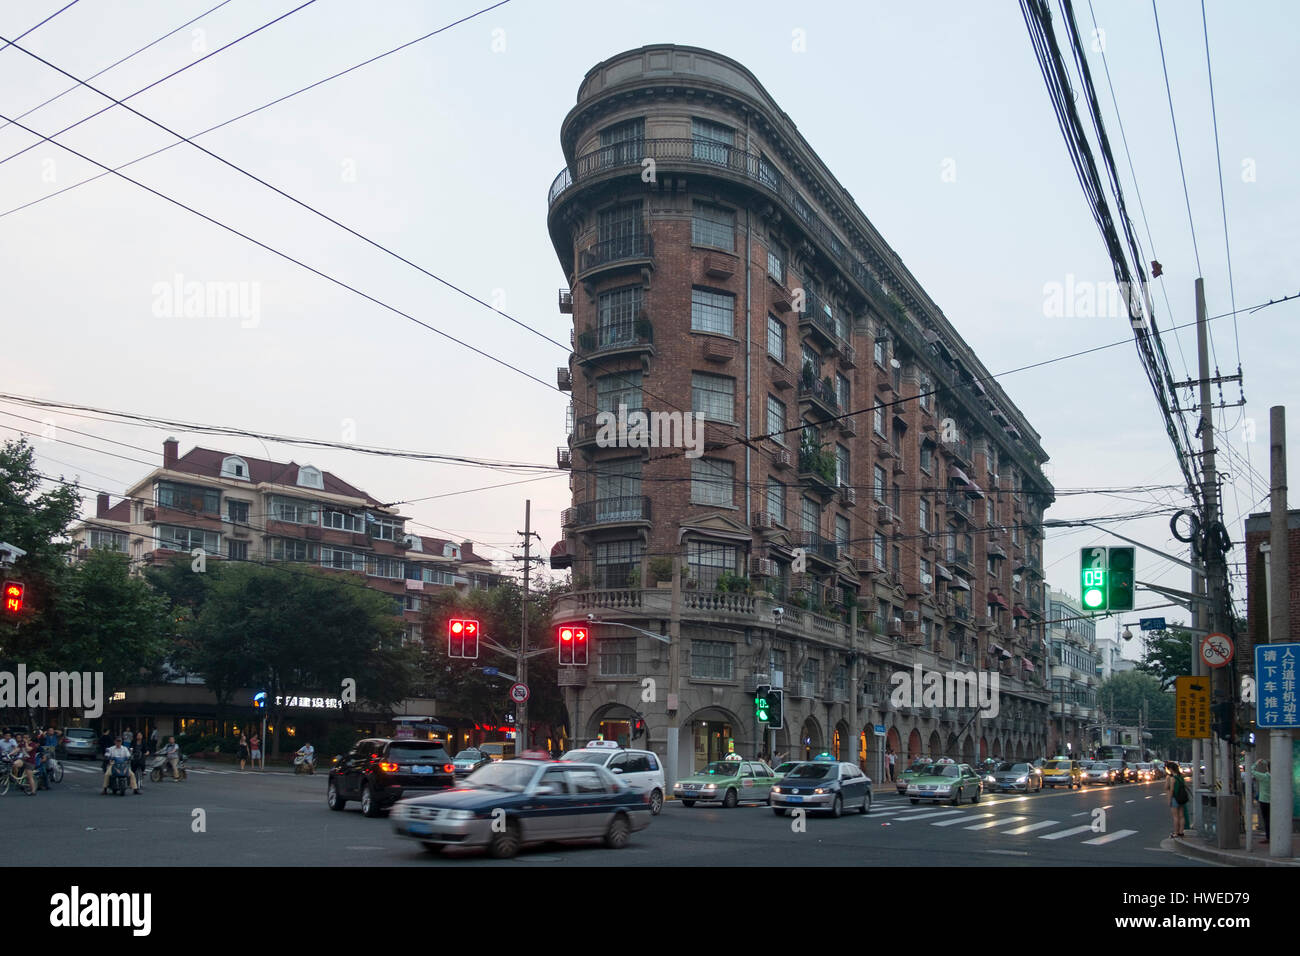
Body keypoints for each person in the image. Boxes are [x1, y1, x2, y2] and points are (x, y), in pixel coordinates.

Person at [1165, 760, 1186, 838]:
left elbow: (1171, 790)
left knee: (1175, 816)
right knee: (1181, 815)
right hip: (1182, 798)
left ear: (1170, 769)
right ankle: (1181, 832)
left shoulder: (1172, 778)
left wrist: (1169, 800)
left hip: (1175, 798)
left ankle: (1176, 832)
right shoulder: (1181, 777)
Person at [1251, 759, 1271, 843]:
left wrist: (1257, 762)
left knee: (1266, 820)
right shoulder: (1277, 777)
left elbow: (1251, 770)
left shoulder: (1264, 777)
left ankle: (1268, 837)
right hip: (1274, 801)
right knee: (1273, 820)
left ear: (1267, 768)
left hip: (1264, 801)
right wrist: (1265, 762)